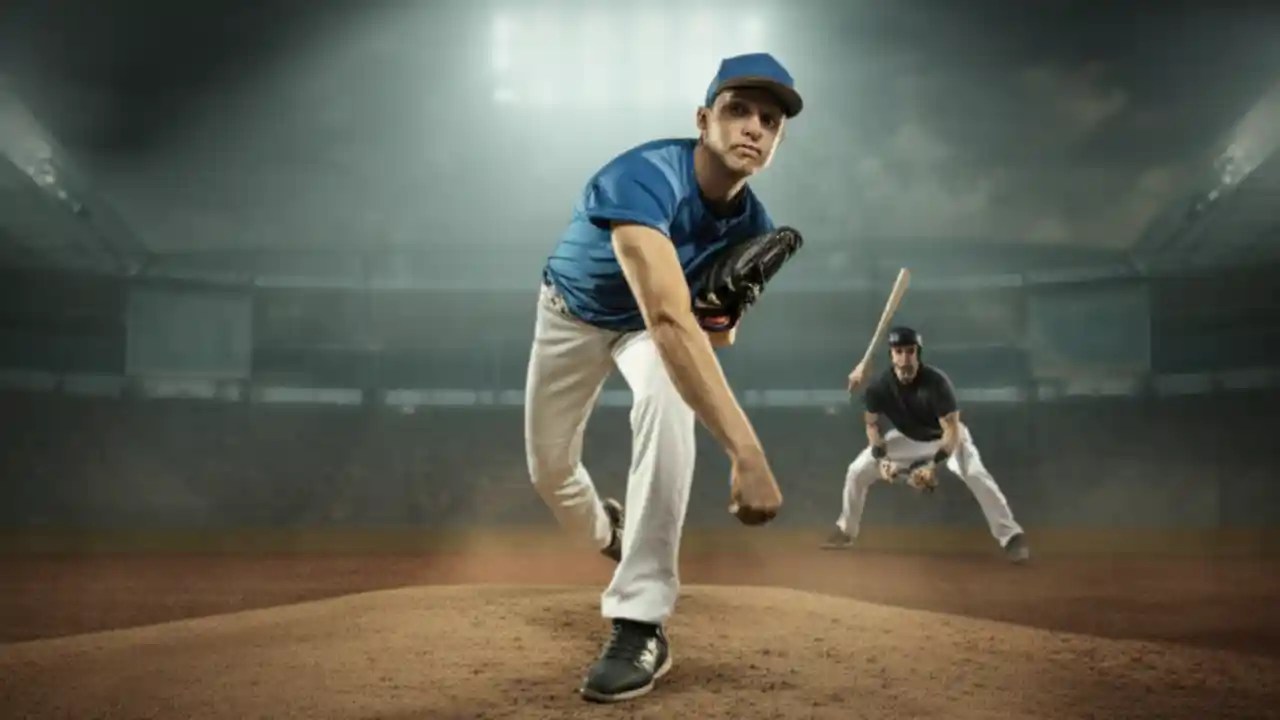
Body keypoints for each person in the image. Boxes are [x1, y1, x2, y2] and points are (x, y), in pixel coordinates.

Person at [523, 52, 802, 703]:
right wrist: (747, 452)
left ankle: (640, 620)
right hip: (571, 315)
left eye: (770, 120)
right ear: (704, 119)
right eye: (739, 110)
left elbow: (707, 337)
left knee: (672, 393)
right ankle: (609, 535)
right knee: (549, 472)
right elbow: (672, 321)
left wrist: (726, 309)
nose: (755, 128)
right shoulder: (643, 176)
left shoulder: (753, 225)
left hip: (646, 330)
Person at [822, 326, 1031, 564]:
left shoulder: (936, 383)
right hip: (908, 437)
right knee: (857, 471)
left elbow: (951, 430)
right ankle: (846, 531)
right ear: (891, 355)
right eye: (899, 351)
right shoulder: (878, 386)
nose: (904, 358)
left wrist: (933, 465)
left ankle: (1011, 536)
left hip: (945, 438)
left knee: (975, 474)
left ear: (918, 353)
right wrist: (883, 460)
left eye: (910, 351)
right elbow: (871, 426)